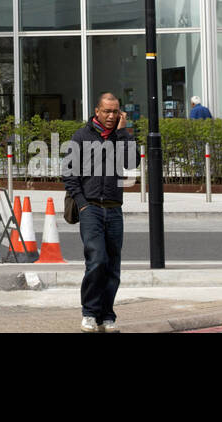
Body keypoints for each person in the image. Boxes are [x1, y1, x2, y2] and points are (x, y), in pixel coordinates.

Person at [62, 92, 137, 333]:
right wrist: (82, 203)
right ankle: (89, 313)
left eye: (115, 111)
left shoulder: (121, 136)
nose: (111, 116)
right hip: (91, 208)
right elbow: (69, 173)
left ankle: (107, 315)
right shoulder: (82, 136)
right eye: (107, 111)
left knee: (113, 266)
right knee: (97, 260)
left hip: (114, 209)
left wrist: (124, 133)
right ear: (97, 111)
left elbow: (132, 163)